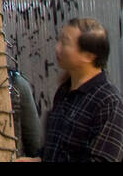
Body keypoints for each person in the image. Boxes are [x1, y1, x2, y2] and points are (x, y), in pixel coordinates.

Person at [30, 18, 123, 162]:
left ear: (89, 56)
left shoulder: (108, 102)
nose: (57, 48)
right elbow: (56, 149)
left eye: (65, 43)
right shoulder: (64, 92)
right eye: (59, 40)